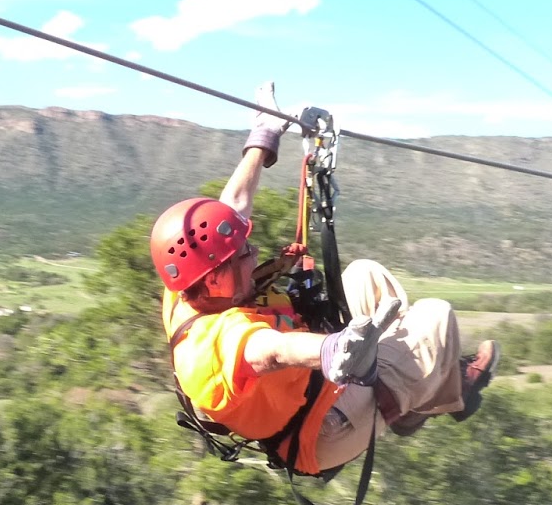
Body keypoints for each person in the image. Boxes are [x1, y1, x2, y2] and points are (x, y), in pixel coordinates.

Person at [151, 84, 499, 478]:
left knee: (366, 276)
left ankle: (414, 394)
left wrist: (263, 136)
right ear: (215, 278)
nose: (253, 252)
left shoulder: (187, 282)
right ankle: (441, 393)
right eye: (244, 254)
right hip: (318, 430)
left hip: (304, 390)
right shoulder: (217, 347)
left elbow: (233, 204)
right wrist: (333, 349)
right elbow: (272, 351)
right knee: (437, 317)